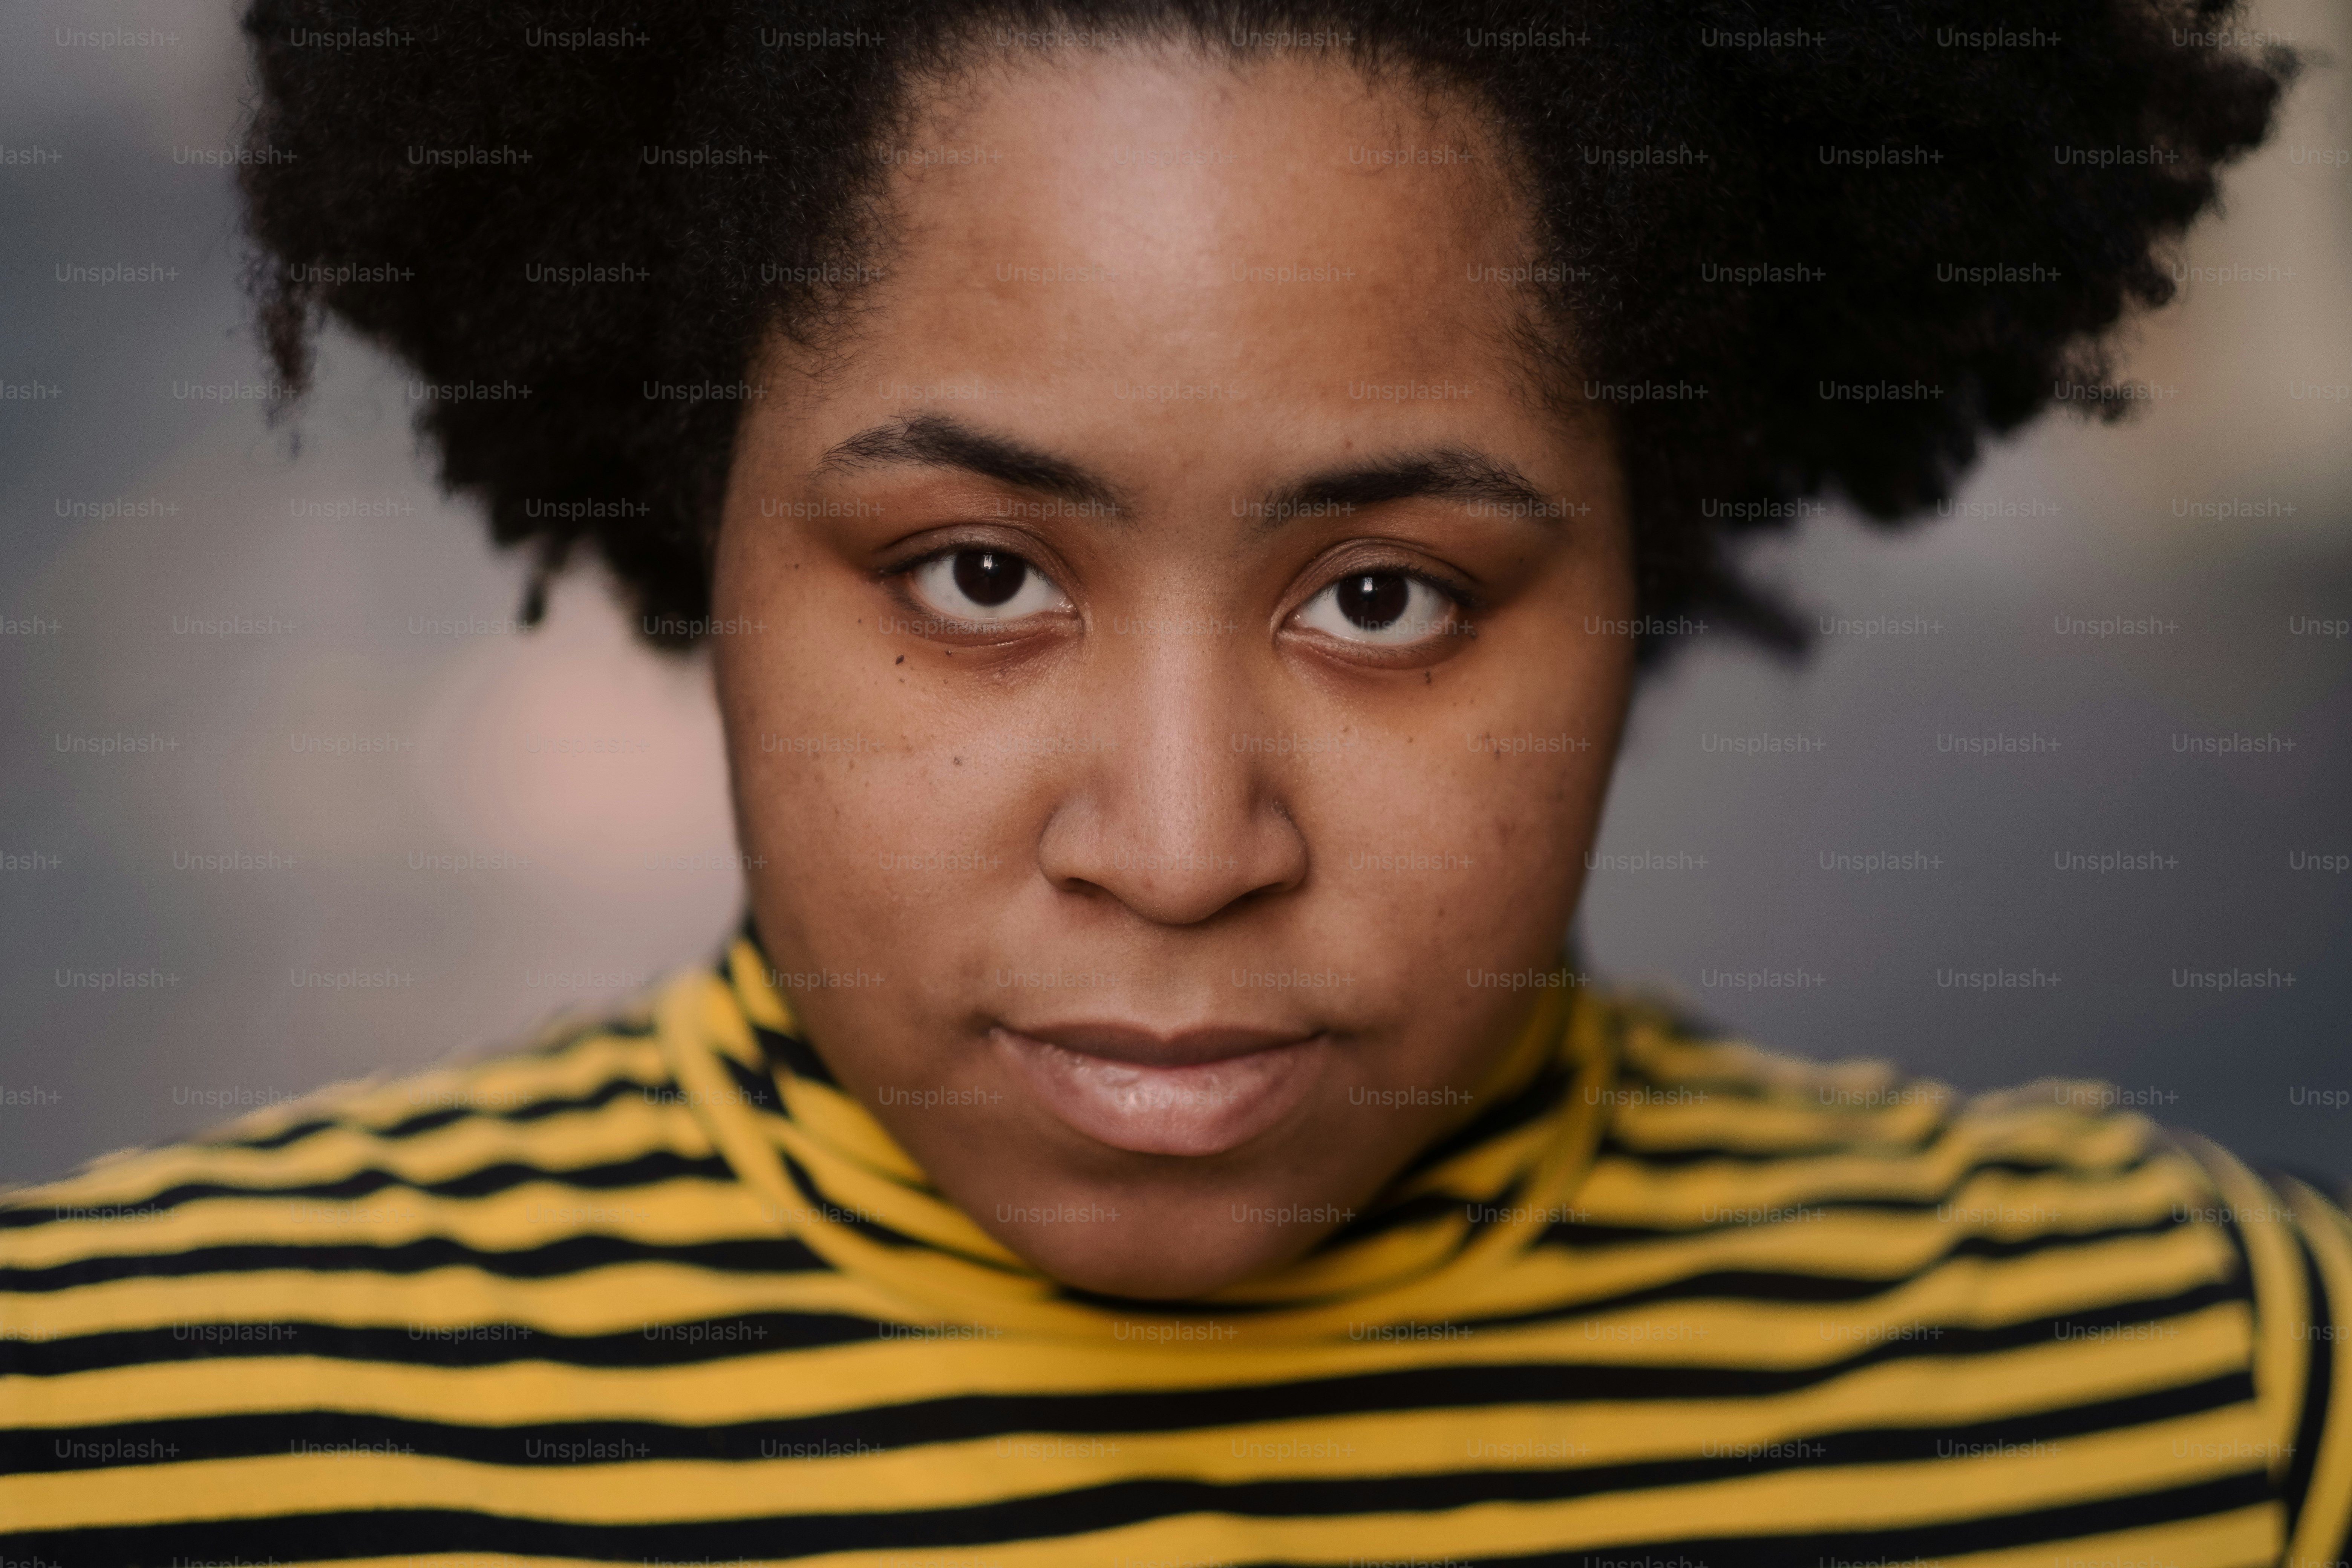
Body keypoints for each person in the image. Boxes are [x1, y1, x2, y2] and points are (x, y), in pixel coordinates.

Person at [5, 2, 2346, 1562]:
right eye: (981, 573)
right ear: (701, 509)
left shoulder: (2221, 1404)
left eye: (1384, 599)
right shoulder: (105, 1429)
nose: (1183, 847)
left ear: (1651, 542)